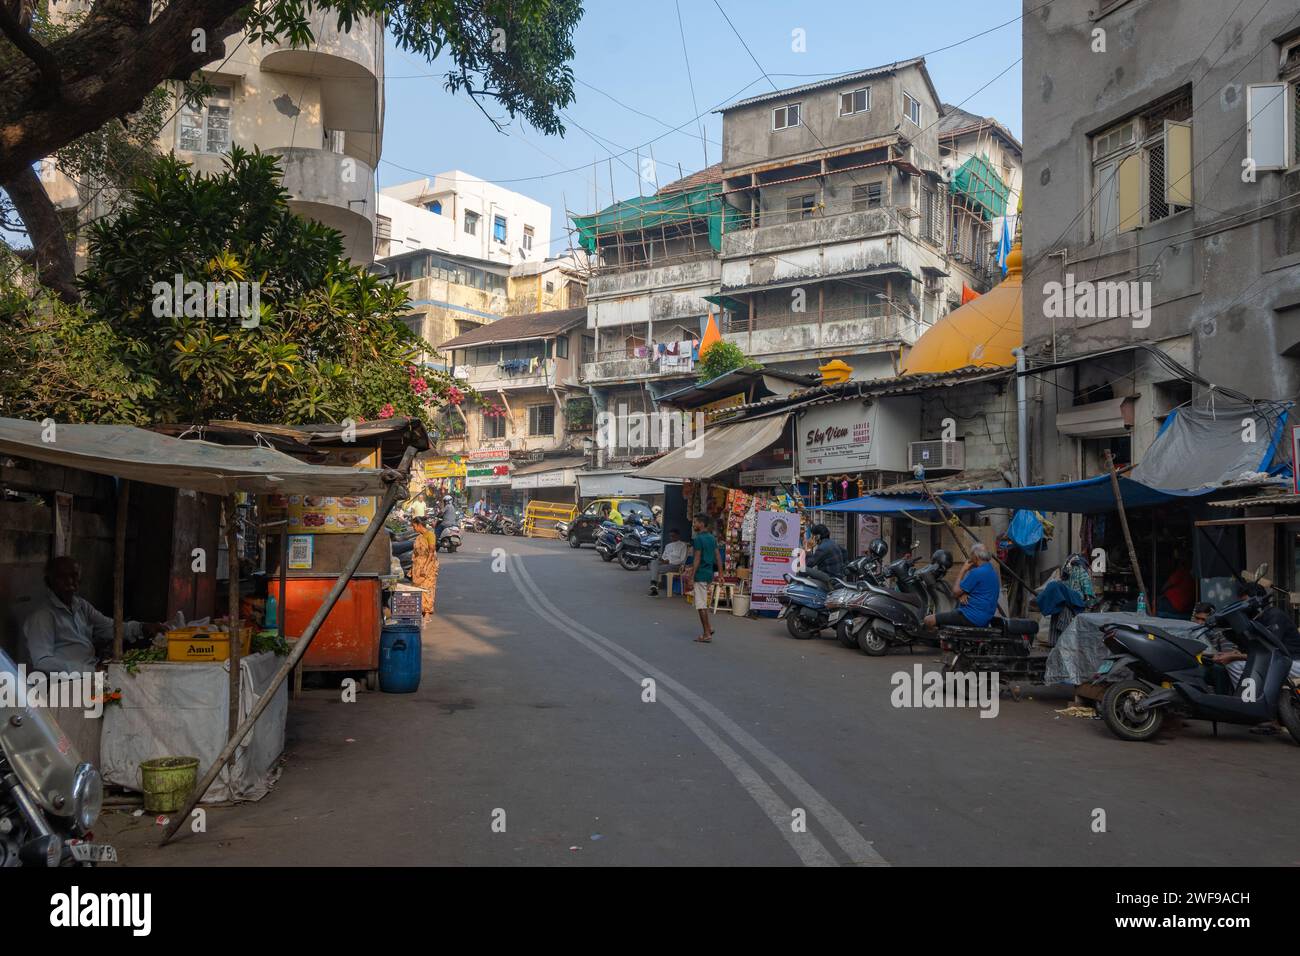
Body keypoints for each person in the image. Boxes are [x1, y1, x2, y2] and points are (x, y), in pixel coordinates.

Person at [23, 555, 166, 674]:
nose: (70, 582)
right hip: (65, 684)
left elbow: (110, 627)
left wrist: (142, 627)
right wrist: (90, 671)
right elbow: (42, 662)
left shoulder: (81, 606)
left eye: (74, 576)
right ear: (49, 582)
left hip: (92, 672)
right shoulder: (43, 616)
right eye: (62, 577)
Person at [925, 543, 1000, 629]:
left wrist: (963, 570)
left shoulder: (977, 572)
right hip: (983, 618)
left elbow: (955, 593)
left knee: (929, 620)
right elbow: (976, 590)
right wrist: (964, 594)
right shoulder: (992, 571)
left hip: (970, 617)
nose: (969, 558)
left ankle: (934, 642)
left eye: (971, 555)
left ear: (975, 557)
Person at [689, 515, 718, 643]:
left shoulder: (698, 539)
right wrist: (721, 574)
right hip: (709, 574)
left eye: (695, 522)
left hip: (700, 574)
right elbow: (718, 556)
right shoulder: (712, 538)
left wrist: (691, 575)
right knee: (703, 603)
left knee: (701, 605)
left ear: (701, 524)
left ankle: (706, 634)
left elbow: (697, 558)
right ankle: (709, 627)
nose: (693, 524)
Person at [409, 517, 440, 624]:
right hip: (418, 566)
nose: (413, 528)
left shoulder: (430, 535)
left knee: (428, 588)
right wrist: (412, 567)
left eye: (414, 526)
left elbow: (431, 552)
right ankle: (419, 611)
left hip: (429, 565)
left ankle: (427, 613)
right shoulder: (419, 537)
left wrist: (425, 567)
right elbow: (415, 554)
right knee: (418, 589)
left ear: (419, 525)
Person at [648, 529, 690, 596]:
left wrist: (670, 561)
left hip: (676, 566)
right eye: (670, 536)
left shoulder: (683, 545)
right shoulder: (668, 545)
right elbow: (664, 557)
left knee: (655, 569)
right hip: (665, 564)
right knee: (653, 562)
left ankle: (654, 584)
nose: (672, 538)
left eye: (673, 536)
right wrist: (661, 559)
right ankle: (654, 585)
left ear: (678, 535)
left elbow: (682, 560)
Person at [1156, 551, 1195, 617]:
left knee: (1151, 602)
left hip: (1171, 603)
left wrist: (1160, 591)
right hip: (1180, 606)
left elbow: (1167, 585)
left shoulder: (1181, 572)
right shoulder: (1192, 577)